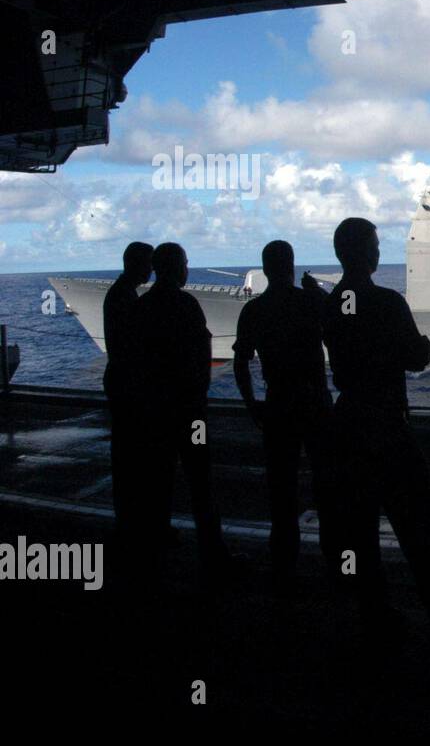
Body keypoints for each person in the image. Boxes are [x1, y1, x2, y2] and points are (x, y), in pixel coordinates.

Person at [322, 217, 430, 651]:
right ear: (363, 252)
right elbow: (416, 356)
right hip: (385, 423)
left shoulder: (331, 304)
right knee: (423, 527)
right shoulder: (386, 302)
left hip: (348, 422)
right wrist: (426, 347)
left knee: (359, 531)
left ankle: (375, 617)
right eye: (374, 245)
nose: (380, 252)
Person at [233, 240, 339, 595]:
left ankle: (283, 568)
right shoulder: (310, 301)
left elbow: (241, 362)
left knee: (281, 491)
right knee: (327, 486)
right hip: (316, 402)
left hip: (278, 403)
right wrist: (320, 294)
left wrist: (251, 404)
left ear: (264, 270)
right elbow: (340, 326)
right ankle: (337, 564)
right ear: (292, 265)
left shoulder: (254, 310)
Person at [127, 242, 231, 580]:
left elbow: (136, 360)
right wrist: (199, 396)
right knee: (201, 482)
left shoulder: (141, 308)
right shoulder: (186, 304)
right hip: (190, 412)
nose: (188, 269)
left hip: (155, 411)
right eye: (185, 263)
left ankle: (152, 555)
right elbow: (203, 352)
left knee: (157, 481)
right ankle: (213, 555)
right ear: (176, 268)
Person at [103, 242, 153, 546]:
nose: (151, 269)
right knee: (130, 459)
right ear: (136, 263)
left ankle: (132, 524)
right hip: (128, 384)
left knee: (128, 458)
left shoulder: (122, 293)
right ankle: (132, 526)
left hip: (122, 381)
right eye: (147, 263)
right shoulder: (125, 296)